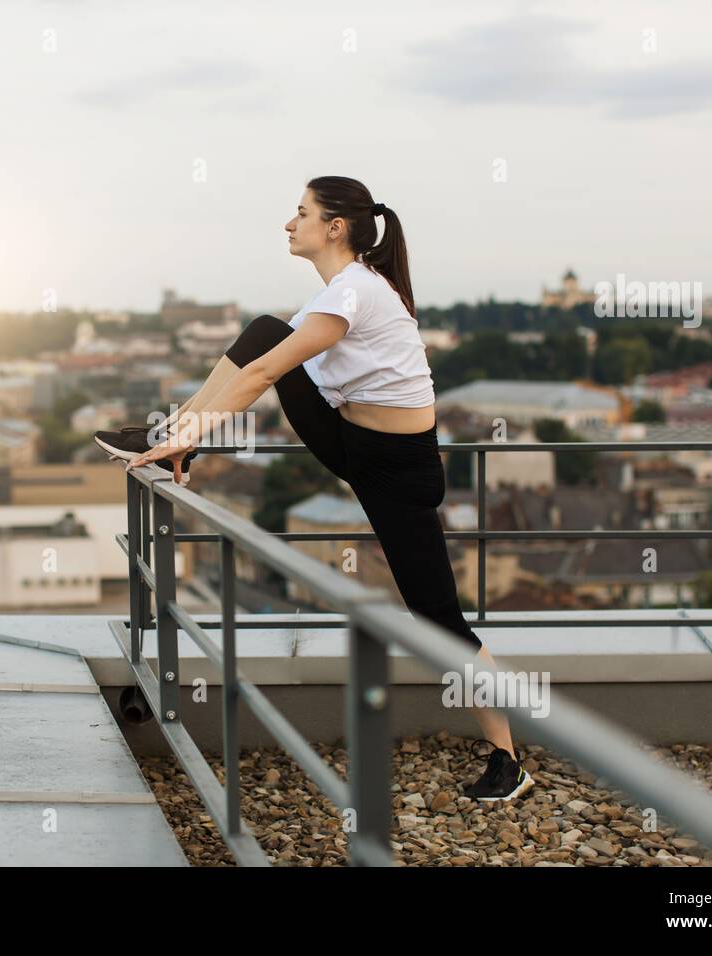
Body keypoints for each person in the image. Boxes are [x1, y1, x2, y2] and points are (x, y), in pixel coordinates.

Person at [94, 175, 533, 801]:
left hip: (401, 470)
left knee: (438, 621)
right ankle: (168, 436)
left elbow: (269, 374)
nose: (287, 223)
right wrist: (185, 431)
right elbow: (261, 358)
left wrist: (198, 428)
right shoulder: (337, 293)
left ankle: (507, 759)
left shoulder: (355, 291)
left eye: (300, 213)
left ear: (335, 227)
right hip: (352, 443)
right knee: (261, 331)